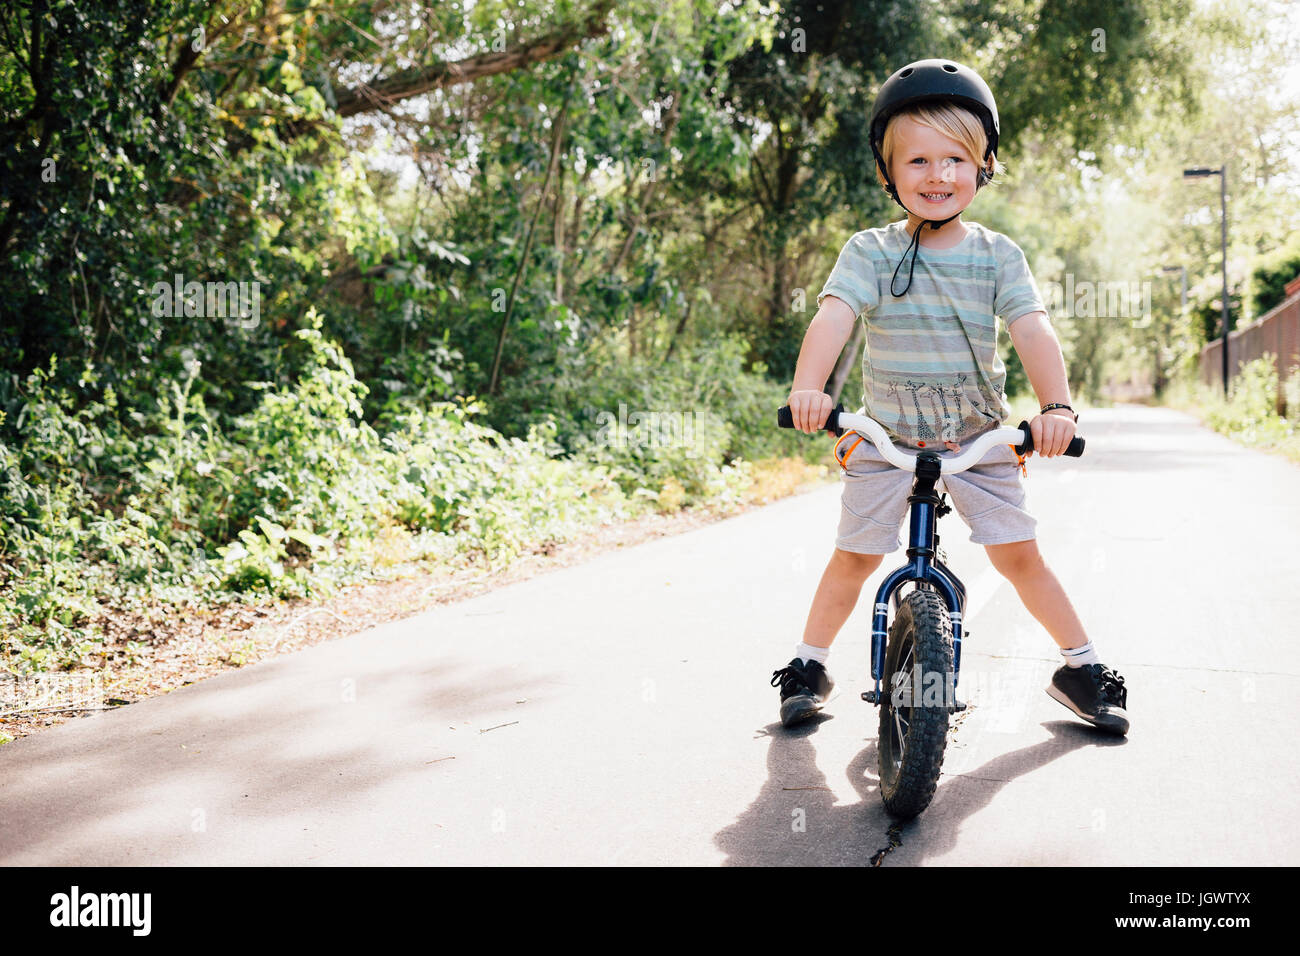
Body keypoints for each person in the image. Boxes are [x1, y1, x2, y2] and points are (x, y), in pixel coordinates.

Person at [771, 59, 1129, 735]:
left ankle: (1081, 668)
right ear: (888, 172)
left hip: (978, 436)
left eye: (956, 160)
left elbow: (1032, 328)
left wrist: (1055, 408)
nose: (938, 176)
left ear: (984, 165)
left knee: (1019, 555)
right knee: (854, 557)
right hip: (887, 437)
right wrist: (809, 391)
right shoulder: (869, 252)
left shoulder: (997, 256)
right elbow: (834, 317)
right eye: (918, 162)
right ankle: (808, 665)